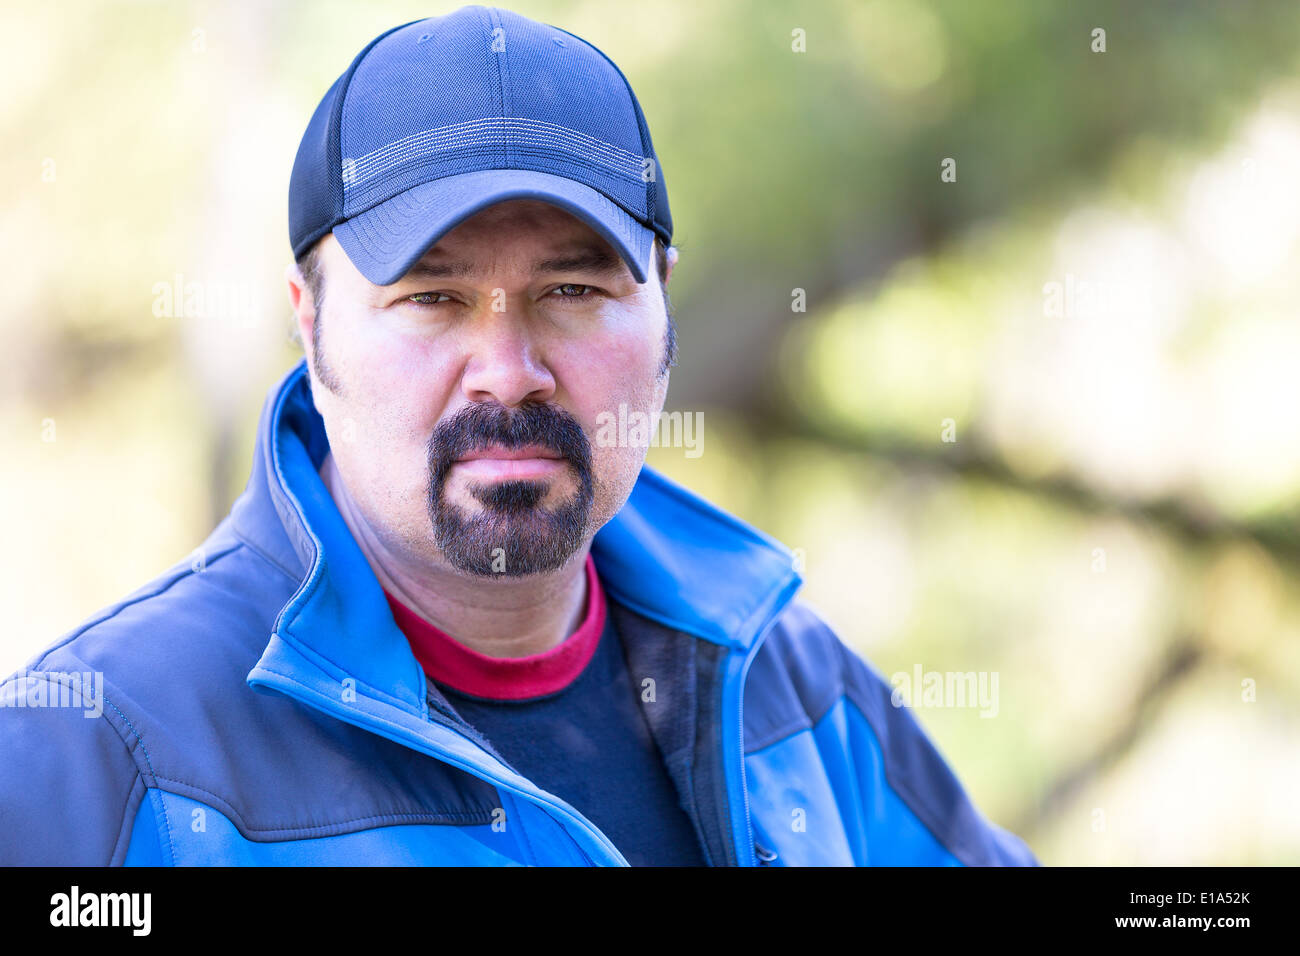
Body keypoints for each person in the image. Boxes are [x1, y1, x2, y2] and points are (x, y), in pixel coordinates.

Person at [0, 5, 1037, 866]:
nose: (507, 368)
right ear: (310, 327)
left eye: (574, 288)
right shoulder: (97, 756)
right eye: (434, 297)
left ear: (663, 308)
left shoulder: (792, 688)